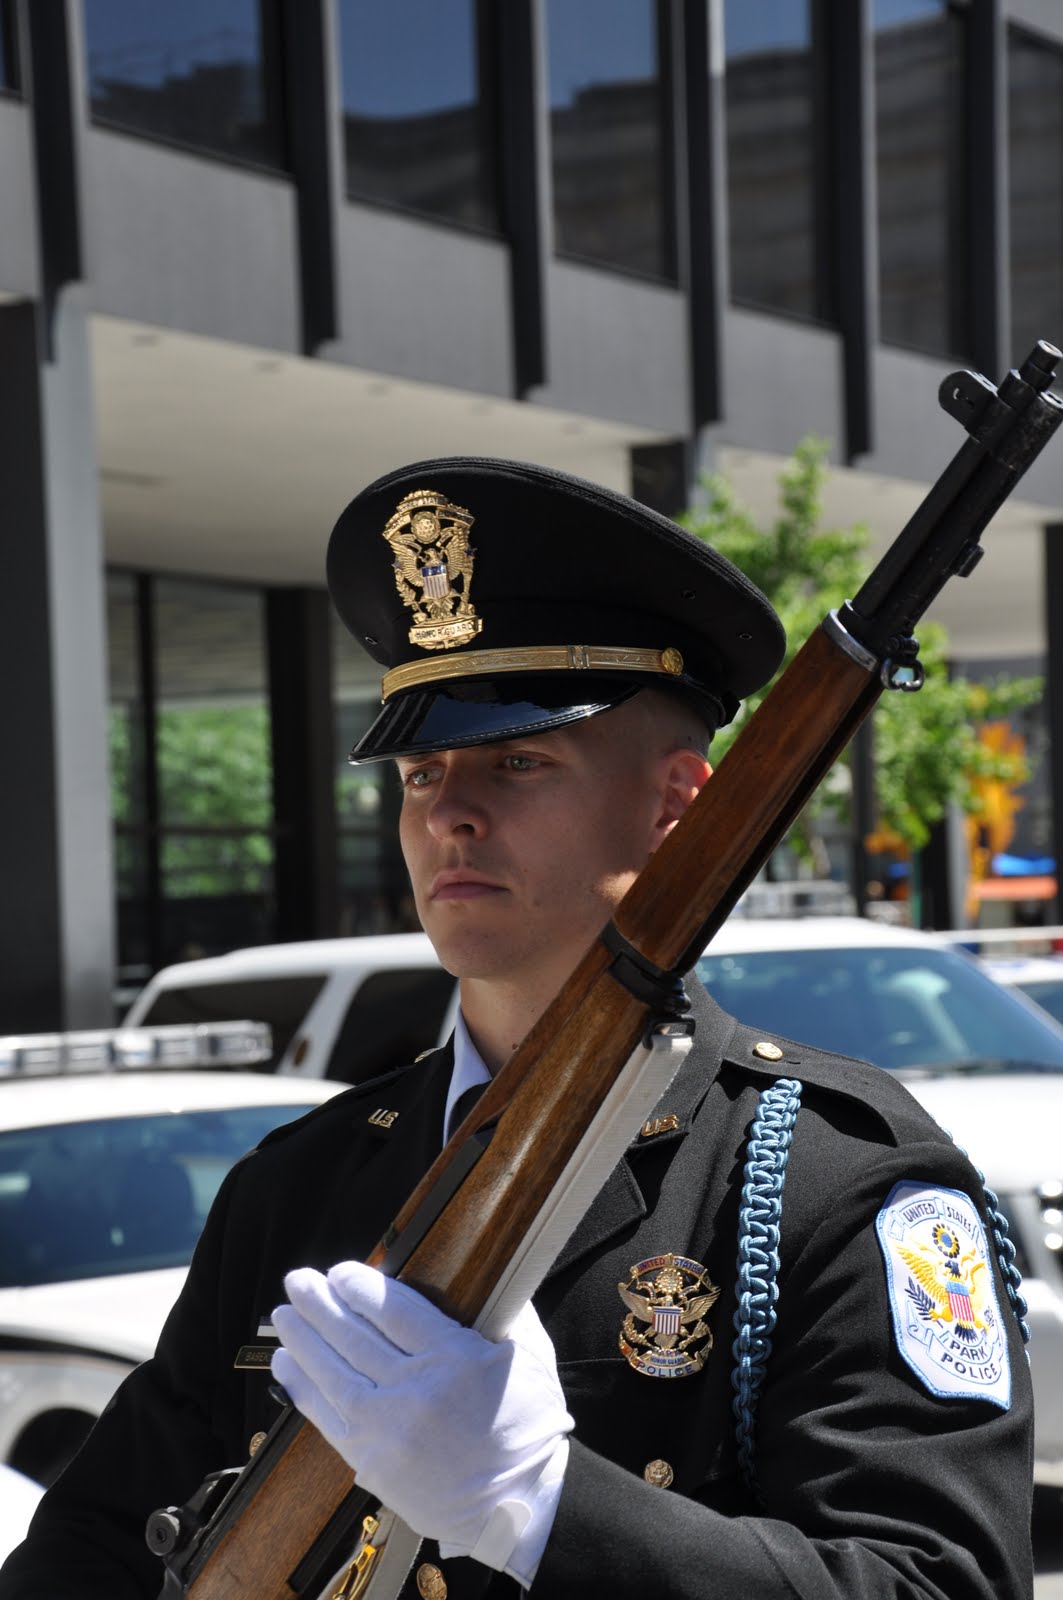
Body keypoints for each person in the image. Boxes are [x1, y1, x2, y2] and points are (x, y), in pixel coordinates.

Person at [0, 459, 1033, 1599]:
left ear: (677, 806)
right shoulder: (297, 1186)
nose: (448, 810)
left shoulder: (833, 1179)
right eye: (420, 769)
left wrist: (546, 1503)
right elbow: (84, 1559)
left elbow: (934, 1583)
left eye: (518, 759)